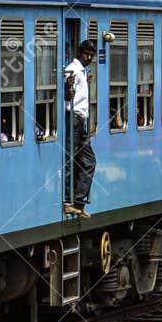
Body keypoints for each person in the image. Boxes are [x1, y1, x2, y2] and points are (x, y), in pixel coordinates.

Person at [63, 40, 96, 217]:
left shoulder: (82, 72)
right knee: (70, 159)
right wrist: (66, 91)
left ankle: (79, 201)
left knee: (88, 161)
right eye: (86, 54)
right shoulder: (72, 70)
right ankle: (68, 201)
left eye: (91, 55)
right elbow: (64, 94)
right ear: (79, 52)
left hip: (80, 120)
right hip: (72, 117)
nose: (89, 57)